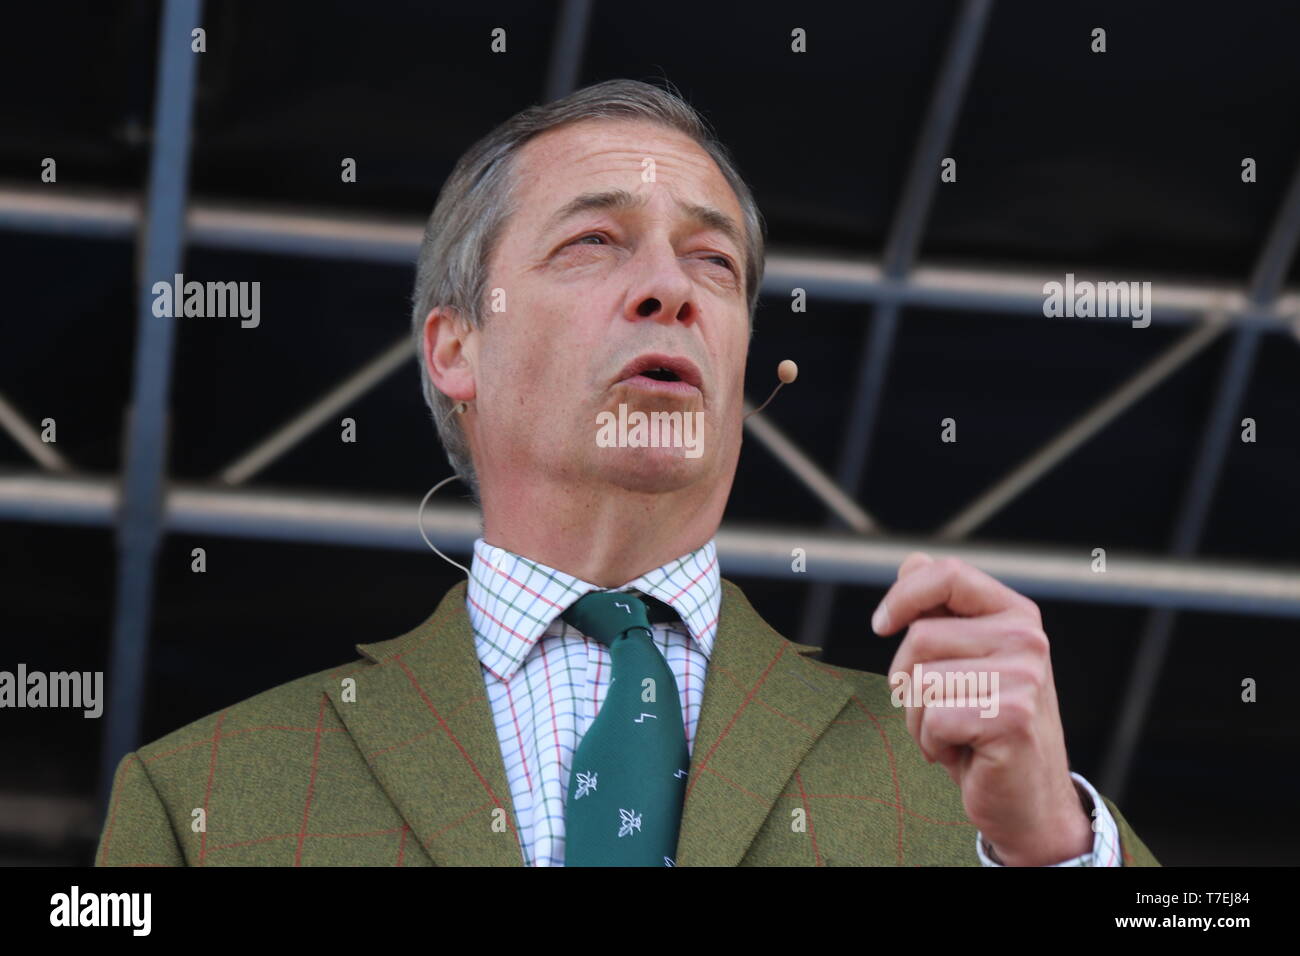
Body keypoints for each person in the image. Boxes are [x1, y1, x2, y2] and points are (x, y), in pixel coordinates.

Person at [96, 78, 1158, 867]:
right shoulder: (205, 796)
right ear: (455, 346)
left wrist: (1053, 847)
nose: (669, 289)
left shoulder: (957, 782)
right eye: (595, 241)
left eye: (712, 261)